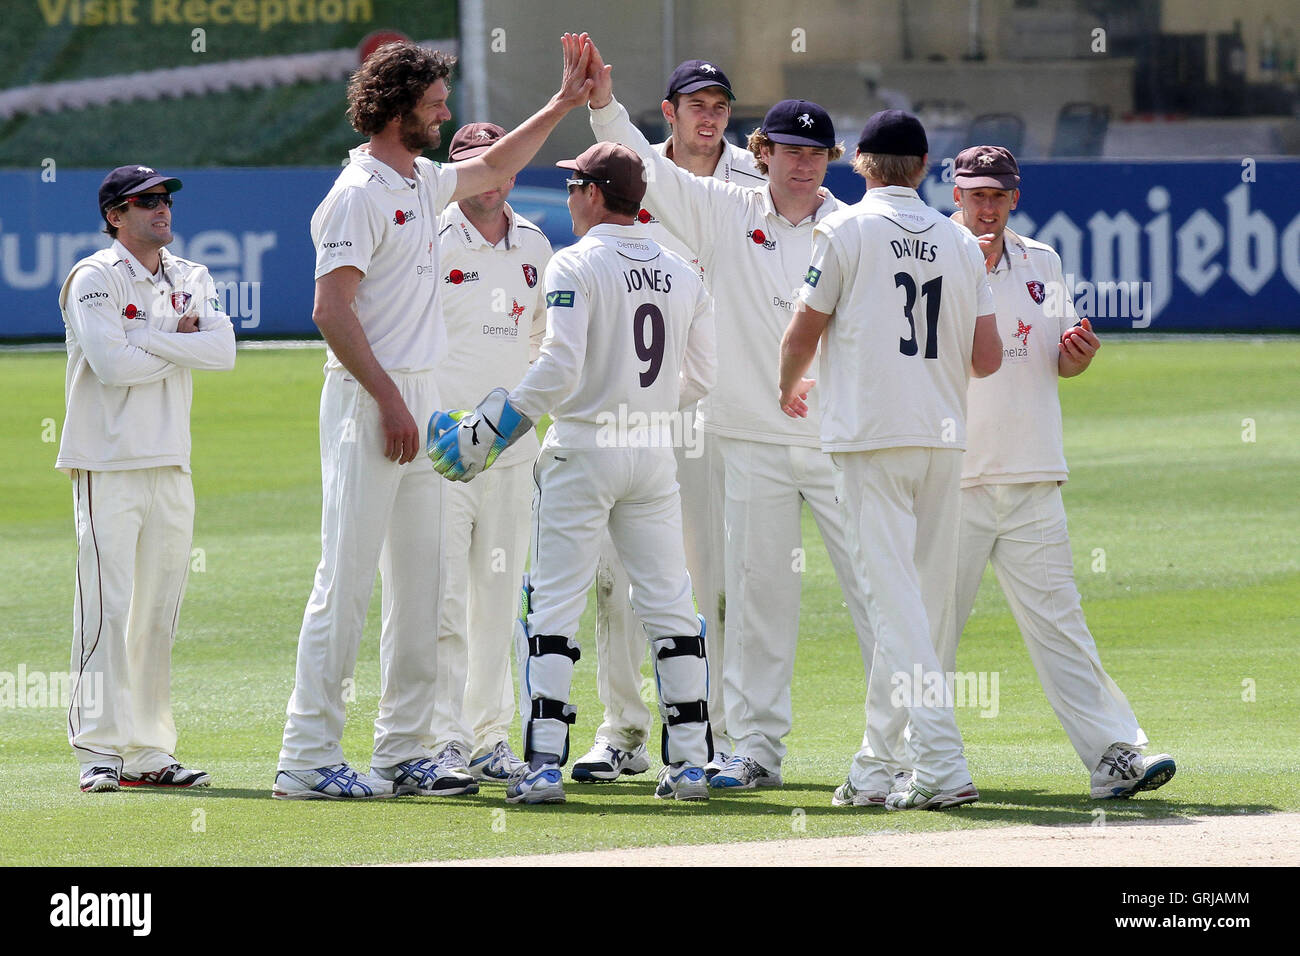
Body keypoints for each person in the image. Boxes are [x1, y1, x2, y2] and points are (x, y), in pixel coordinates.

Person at [274, 35, 597, 800]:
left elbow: (493, 166)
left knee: (423, 584)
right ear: (396, 110)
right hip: (368, 402)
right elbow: (330, 309)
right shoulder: (356, 193)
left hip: (417, 402)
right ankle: (307, 755)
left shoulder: (418, 180)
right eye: (435, 104)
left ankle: (404, 749)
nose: (445, 113)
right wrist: (390, 399)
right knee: (345, 580)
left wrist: (561, 103)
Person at [584, 40, 878, 791]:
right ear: (766, 152)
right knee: (753, 602)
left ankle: (900, 749)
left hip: (837, 443)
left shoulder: (854, 229)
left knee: (878, 596)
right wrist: (599, 104)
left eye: (818, 152)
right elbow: (647, 174)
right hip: (745, 434)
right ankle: (752, 749)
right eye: (790, 150)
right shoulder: (725, 211)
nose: (805, 164)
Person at [427, 142, 717, 804]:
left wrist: (492, 432)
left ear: (591, 193)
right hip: (651, 450)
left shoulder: (575, 263)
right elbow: (701, 377)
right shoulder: (681, 270)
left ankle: (544, 767)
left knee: (553, 606)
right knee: (670, 602)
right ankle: (692, 764)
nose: (567, 197)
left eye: (572, 186)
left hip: (584, 446)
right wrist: (639, 408)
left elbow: (558, 366)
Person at [779, 110, 1003, 810]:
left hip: (870, 435)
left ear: (863, 165)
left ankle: (940, 761)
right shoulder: (961, 241)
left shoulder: (845, 228)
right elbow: (988, 357)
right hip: (941, 437)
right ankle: (876, 767)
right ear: (927, 163)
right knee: (914, 607)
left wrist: (786, 387)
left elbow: (804, 326)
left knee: (898, 607)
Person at [941, 145, 1175, 798]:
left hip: (1034, 473)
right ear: (954, 193)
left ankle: (1112, 755)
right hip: (952, 480)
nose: (986, 207)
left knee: (1062, 626)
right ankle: (911, 762)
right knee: (928, 633)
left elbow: (1059, 360)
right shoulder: (931, 256)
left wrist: (1079, 356)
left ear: (1014, 196)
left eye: (997, 195)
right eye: (975, 194)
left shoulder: (1043, 261)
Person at [573, 58, 765, 785]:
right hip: (636, 403)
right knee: (618, 574)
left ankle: (708, 732)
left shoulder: (759, 174)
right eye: (695, 105)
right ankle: (621, 729)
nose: (708, 117)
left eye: (719, 104)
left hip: (715, 402)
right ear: (670, 111)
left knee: (707, 574)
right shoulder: (632, 172)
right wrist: (600, 103)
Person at [58, 164, 236, 793]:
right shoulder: (93, 277)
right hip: (106, 461)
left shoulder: (192, 276)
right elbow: (110, 366)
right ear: (115, 215)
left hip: (170, 459)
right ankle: (98, 753)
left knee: (159, 614)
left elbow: (223, 351)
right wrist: (172, 335)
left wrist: (145, 336)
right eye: (146, 202)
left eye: (165, 200)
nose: (162, 209)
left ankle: (149, 752)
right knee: (105, 608)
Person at [427, 122, 551, 784]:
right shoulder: (430, 236)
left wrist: (515, 420)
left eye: (494, 162)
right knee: (442, 597)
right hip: (441, 452)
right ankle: (442, 740)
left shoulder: (534, 243)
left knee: (498, 597)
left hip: (510, 451)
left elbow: (542, 343)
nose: (484, 174)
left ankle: (489, 737)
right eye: (468, 163)